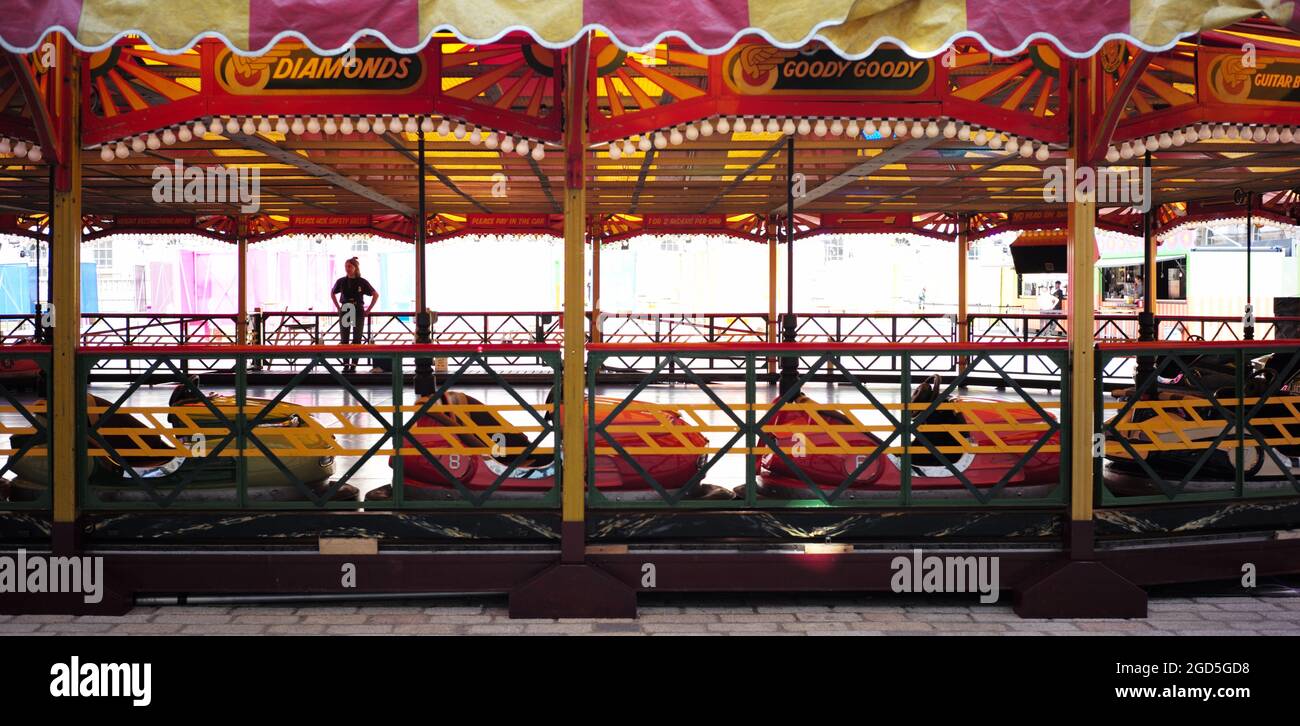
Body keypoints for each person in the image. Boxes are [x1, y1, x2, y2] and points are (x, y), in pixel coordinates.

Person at [331, 257, 378, 373]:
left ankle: (354, 363)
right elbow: (332, 293)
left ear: (355, 268)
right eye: (346, 266)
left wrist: (369, 310)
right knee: (344, 338)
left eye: (350, 266)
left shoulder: (362, 281)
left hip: (357, 308)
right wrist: (338, 307)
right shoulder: (341, 281)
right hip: (346, 308)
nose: (347, 269)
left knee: (357, 337)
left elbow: (375, 294)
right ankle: (346, 363)